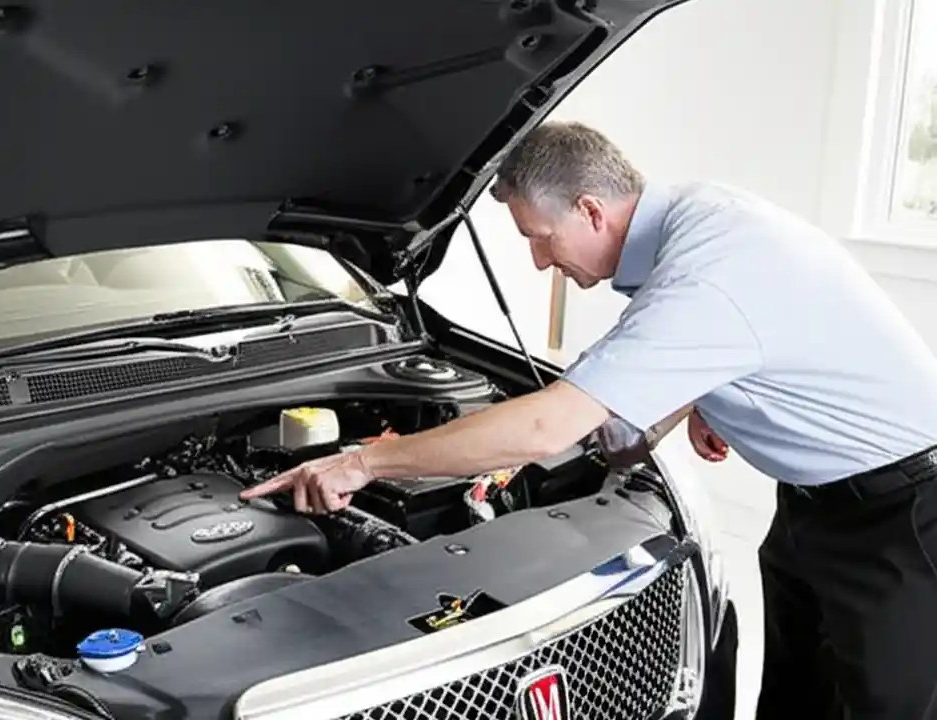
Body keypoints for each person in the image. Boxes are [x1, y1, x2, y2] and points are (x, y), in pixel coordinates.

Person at [239, 121, 937, 719]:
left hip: (900, 518)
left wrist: (362, 463)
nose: (542, 261)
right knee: (797, 699)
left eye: (540, 238)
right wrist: (702, 392)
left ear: (591, 210)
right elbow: (746, 333)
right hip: (811, 508)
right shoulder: (701, 218)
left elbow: (548, 430)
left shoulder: (706, 275)